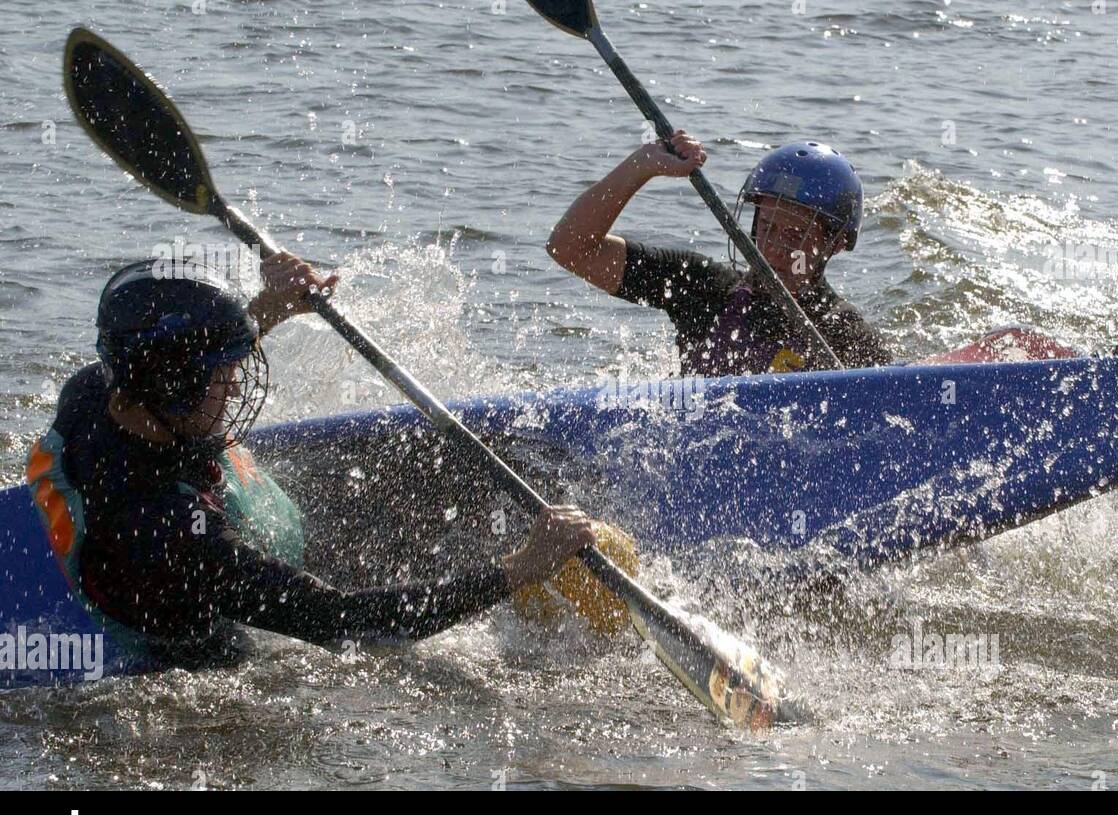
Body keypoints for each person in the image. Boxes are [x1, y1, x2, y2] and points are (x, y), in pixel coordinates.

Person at [25, 251, 598, 666]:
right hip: (224, 614)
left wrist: (269, 308)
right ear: (167, 388)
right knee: (445, 535)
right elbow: (347, 623)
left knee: (436, 469)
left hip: (240, 522)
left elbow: (177, 358)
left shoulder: (99, 392)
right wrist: (523, 567)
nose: (235, 387)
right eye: (219, 377)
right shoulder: (168, 537)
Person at [546, 132, 893, 376]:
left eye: (794, 235)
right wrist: (643, 165)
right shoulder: (704, 289)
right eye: (768, 227)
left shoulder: (846, 335)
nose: (774, 247)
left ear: (834, 244)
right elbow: (570, 248)